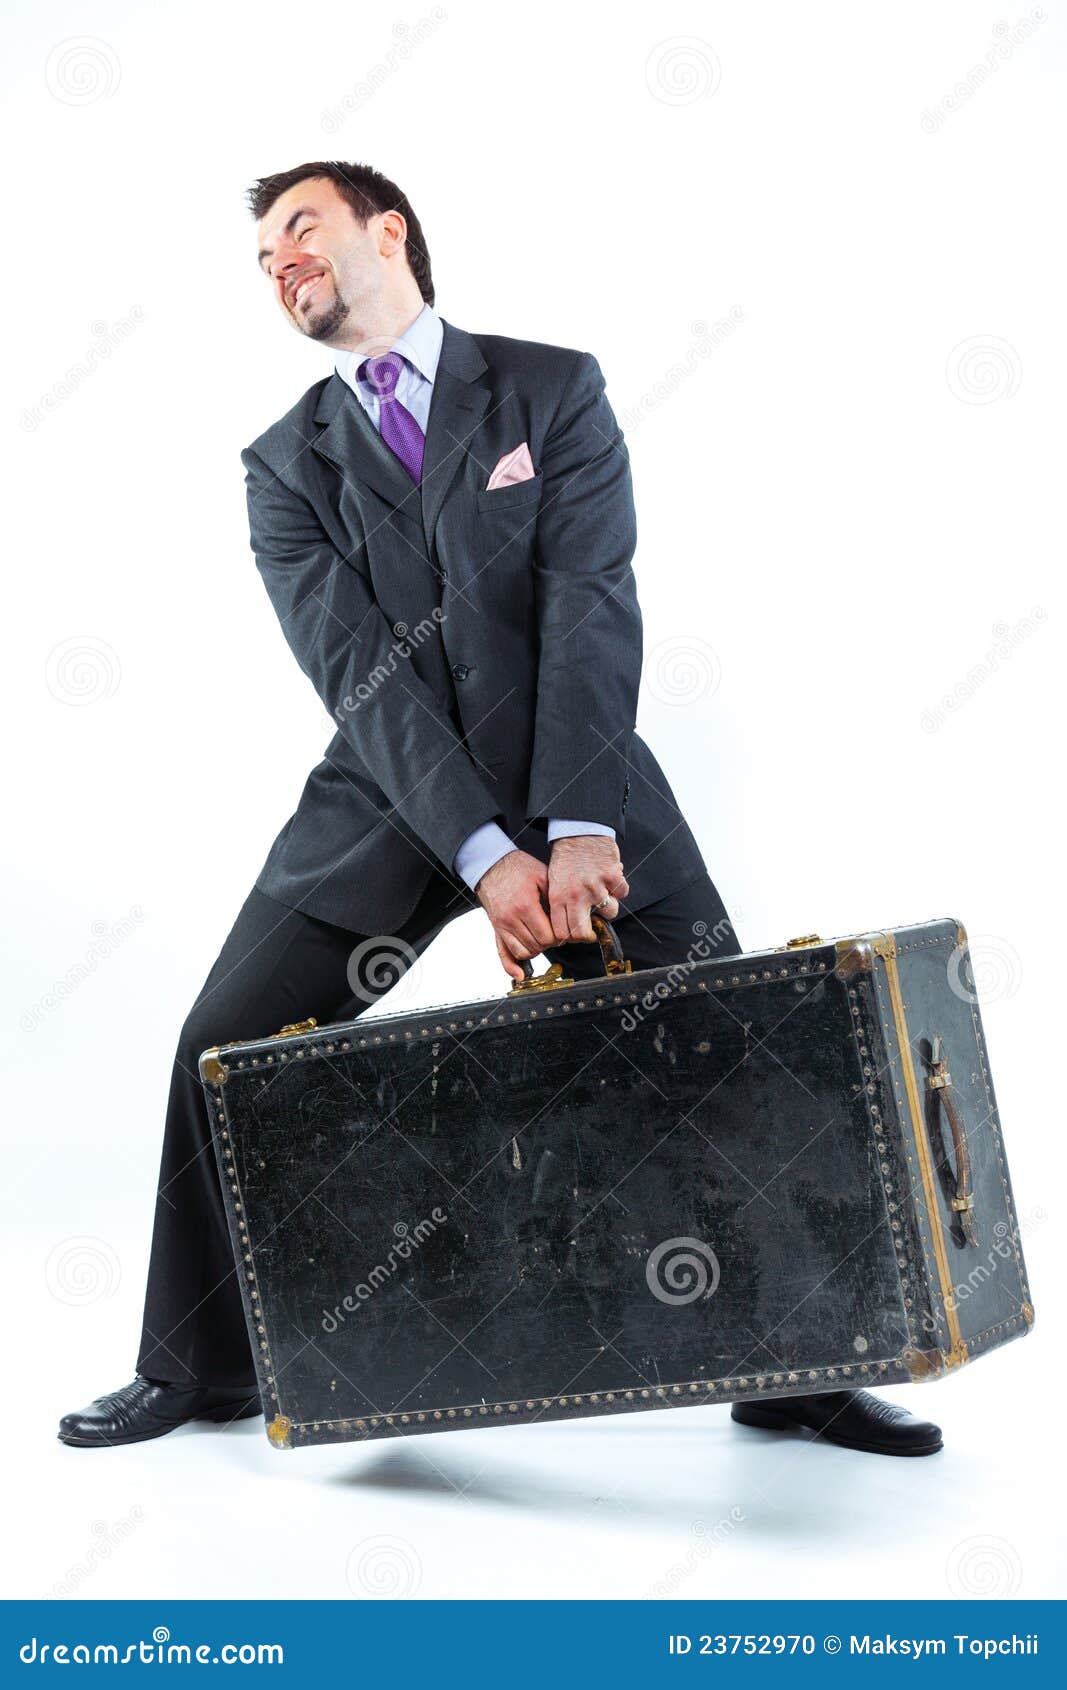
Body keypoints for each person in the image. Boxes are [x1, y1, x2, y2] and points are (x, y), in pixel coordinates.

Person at [58, 161, 940, 1458]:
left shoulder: (550, 388)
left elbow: (592, 598)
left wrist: (577, 824)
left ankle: (796, 1362)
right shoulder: (282, 467)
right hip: (390, 797)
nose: (279, 262)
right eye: (260, 258)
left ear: (388, 231)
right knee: (219, 1041)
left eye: (300, 228)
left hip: (579, 774)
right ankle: (201, 1366)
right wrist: (480, 854)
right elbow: (356, 671)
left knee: (719, 1031)